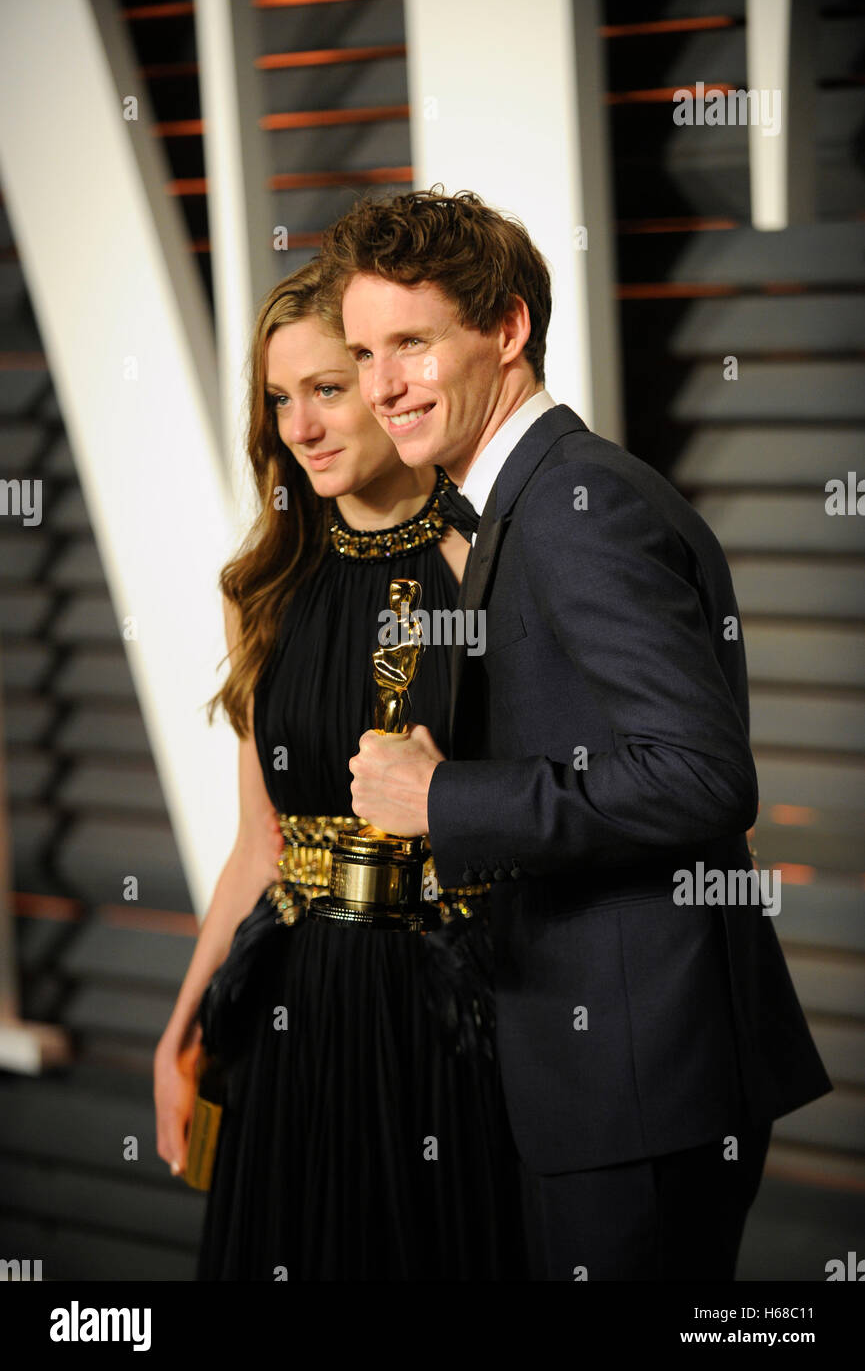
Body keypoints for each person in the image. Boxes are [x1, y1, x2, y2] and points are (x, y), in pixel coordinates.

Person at [319, 187, 834, 1281]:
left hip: (637, 1084)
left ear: (506, 330)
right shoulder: (537, 499)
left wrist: (442, 800)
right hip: (619, 1073)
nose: (383, 386)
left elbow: (701, 777)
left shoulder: (573, 507)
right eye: (365, 352)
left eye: (412, 342)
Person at [152, 259, 527, 1281]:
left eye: (325, 387)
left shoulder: (484, 563)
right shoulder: (263, 588)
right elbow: (257, 847)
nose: (300, 426)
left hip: (443, 1014)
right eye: (279, 400)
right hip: (292, 1006)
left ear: (384, 381)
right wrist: (180, 1029)